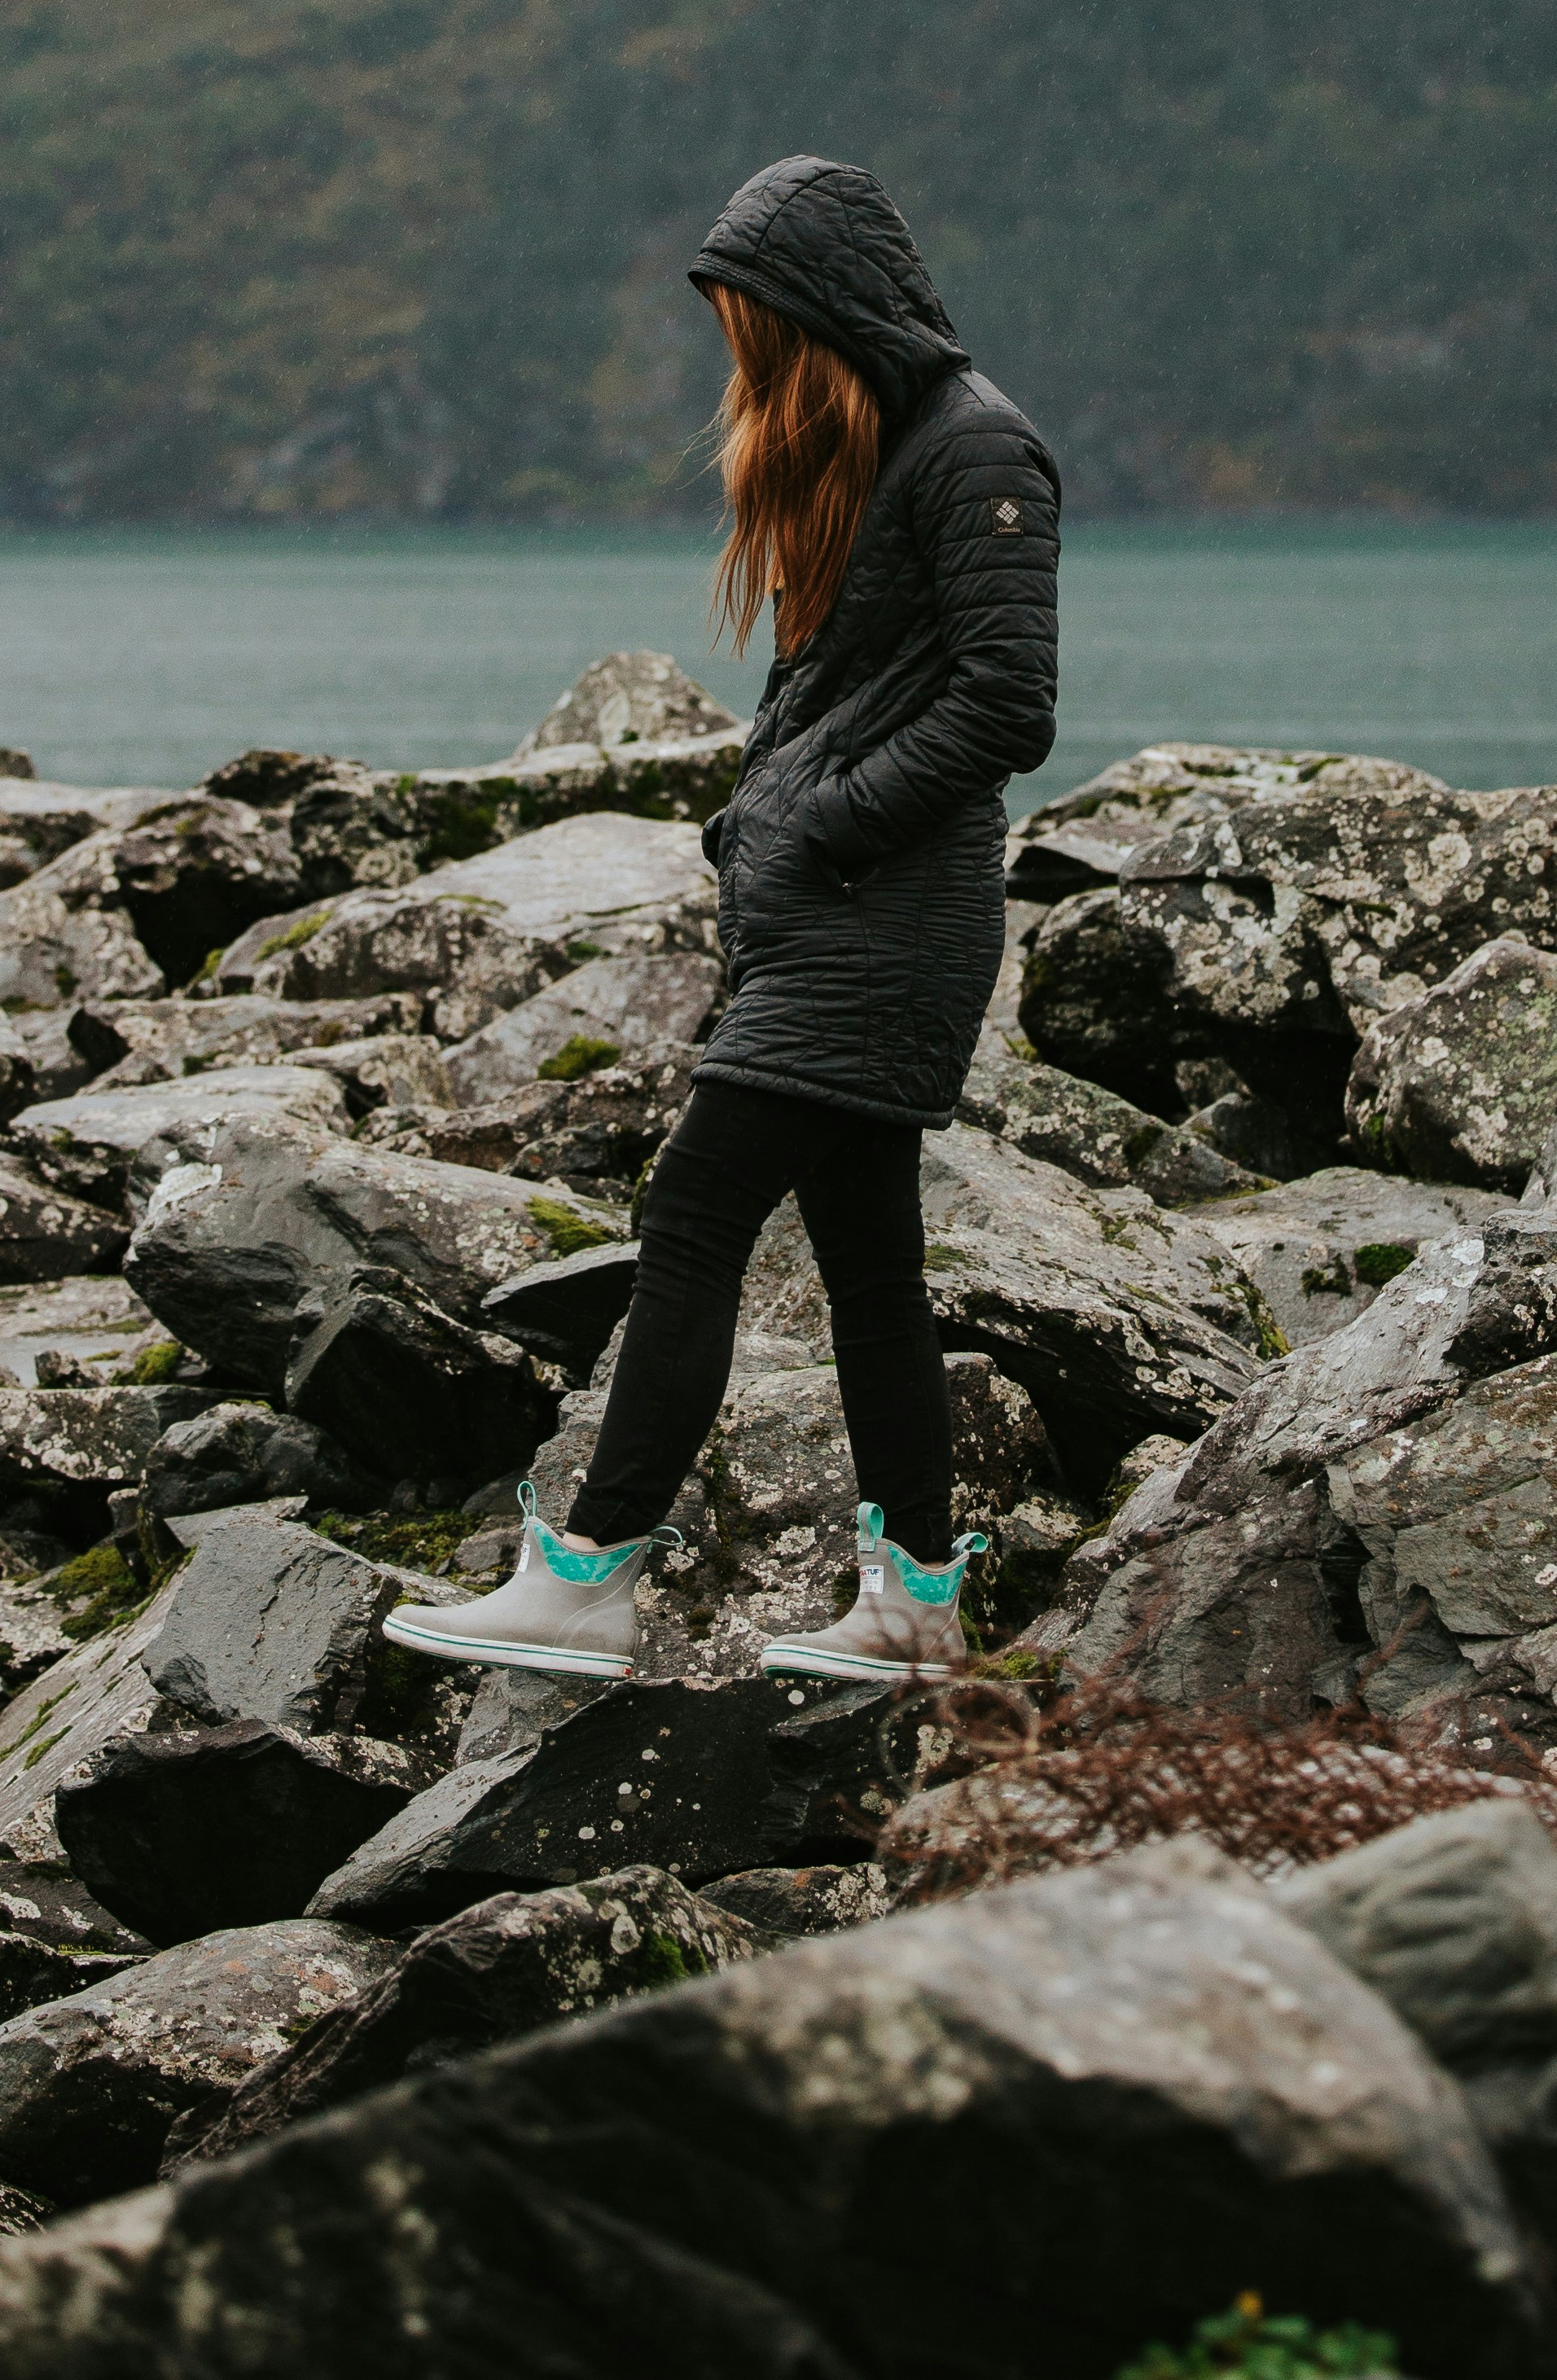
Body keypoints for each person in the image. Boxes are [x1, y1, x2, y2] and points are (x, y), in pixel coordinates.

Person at [384, 152, 1060, 1689]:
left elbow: (1009, 707)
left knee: (692, 1218)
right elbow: (865, 692)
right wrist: (758, 822)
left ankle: (591, 1573)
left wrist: (816, 823)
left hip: (880, 926)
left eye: (758, 325)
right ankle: (916, 1603)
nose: (742, 364)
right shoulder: (893, 447)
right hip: (835, 921)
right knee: (871, 1267)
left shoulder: (981, 449)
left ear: (826, 307)